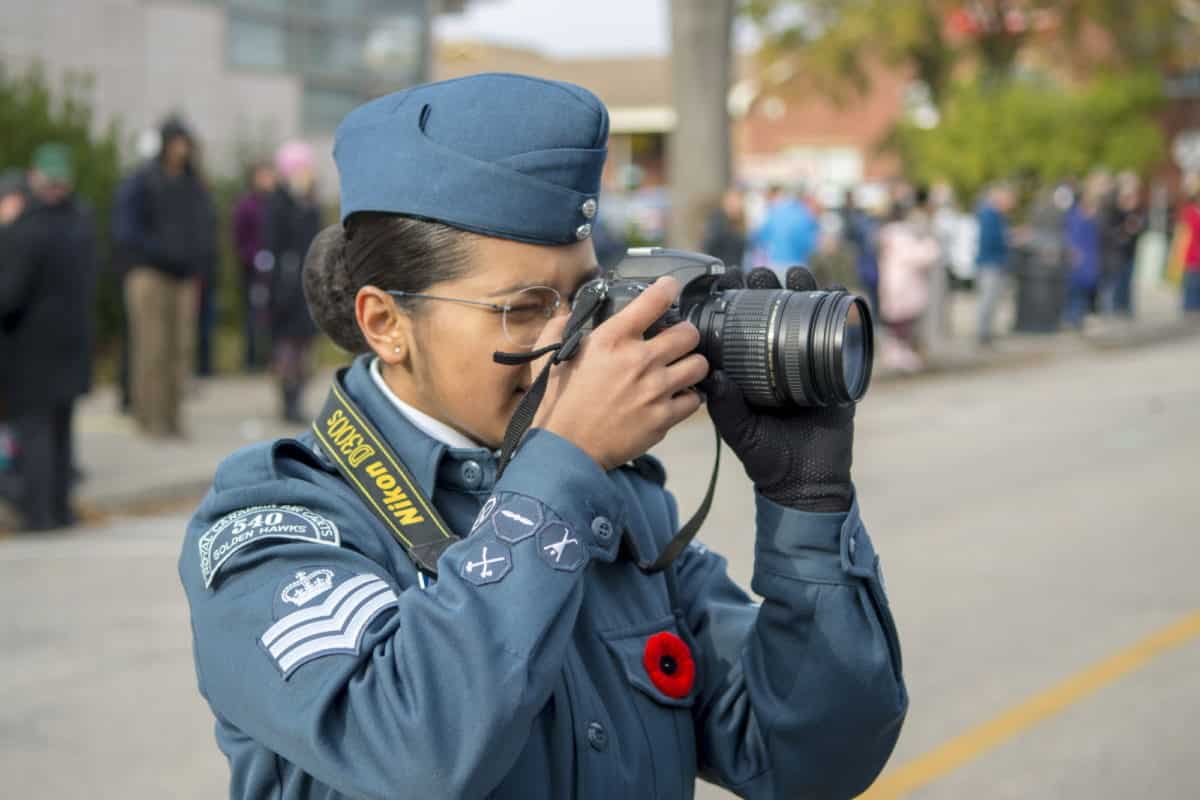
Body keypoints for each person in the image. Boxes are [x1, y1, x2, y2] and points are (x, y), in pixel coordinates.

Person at [178, 73, 906, 800]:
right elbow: (412, 750)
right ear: (385, 324)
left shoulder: (616, 501)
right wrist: (564, 472)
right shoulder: (276, 522)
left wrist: (805, 506)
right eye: (524, 309)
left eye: (588, 296)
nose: (573, 342)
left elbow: (808, 761)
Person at [0, 144, 98, 530]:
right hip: (73, 342)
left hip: (32, 346)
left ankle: (39, 514)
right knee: (62, 430)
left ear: (36, 177)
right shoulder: (83, 224)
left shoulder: (26, 231)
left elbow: (9, 295)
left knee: (35, 430)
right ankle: (61, 509)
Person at [115, 117, 216, 437]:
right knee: (151, 350)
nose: (181, 150)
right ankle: (150, 419)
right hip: (149, 274)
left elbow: (205, 226)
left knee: (179, 351)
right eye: (176, 143)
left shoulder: (193, 184)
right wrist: (159, 251)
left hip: (184, 277)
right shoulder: (143, 181)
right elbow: (126, 231)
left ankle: (173, 419)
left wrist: (198, 260)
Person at [264, 141, 322, 423]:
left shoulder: (310, 203)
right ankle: (287, 401)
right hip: (285, 289)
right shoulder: (279, 204)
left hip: (306, 286)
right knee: (286, 348)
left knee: (305, 349)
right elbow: (273, 245)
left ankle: (297, 398)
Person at [877, 188, 940, 372]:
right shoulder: (900, 235)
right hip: (905, 285)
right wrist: (931, 245)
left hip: (894, 284)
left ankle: (898, 354)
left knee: (898, 323)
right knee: (903, 325)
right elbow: (919, 255)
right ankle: (899, 356)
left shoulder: (887, 235)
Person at [233, 161, 276, 370]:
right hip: (252, 270)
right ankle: (251, 359)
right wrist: (254, 257)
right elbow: (240, 238)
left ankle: (269, 356)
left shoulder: (276, 204)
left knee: (271, 315)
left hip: (273, 271)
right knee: (253, 315)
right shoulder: (246, 206)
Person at [974, 182, 1015, 346]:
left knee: (992, 300)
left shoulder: (996, 215)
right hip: (989, 263)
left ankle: (987, 333)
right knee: (987, 300)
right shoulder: (989, 215)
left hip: (995, 262)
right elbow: (989, 240)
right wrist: (1007, 238)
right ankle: (983, 334)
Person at [752, 184, 819, 278]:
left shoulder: (774, 211)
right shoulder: (804, 215)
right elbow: (810, 245)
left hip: (775, 264)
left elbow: (760, 237)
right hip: (798, 267)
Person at [1064, 178, 1104, 329]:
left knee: (1081, 294)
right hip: (1080, 262)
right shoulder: (1077, 219)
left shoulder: (1087, 220)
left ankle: (1076, 318)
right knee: (1076, 294)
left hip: (1087, 262)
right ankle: (1073, 319)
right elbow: (1073, 240)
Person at [700, 187, 747, 268]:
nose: (736, 205)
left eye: (738, 201)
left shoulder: (740, 222)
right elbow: (708, 246)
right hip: (720, 271)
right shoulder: (718, 220)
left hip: (736, 270)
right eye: (732, 202)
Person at [1175, 178, 1200, 314]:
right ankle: (1189, 309)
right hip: (1192, 254)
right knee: (1192, 284)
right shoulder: (1190, 212)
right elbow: (1186, 234)